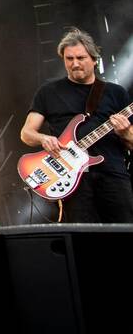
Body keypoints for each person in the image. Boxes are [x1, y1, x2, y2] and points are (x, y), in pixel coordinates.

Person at [21, 27, 133, 223]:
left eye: (80, 58)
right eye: (69, 59)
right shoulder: (48, 92)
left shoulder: (116, 93)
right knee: (82, 237)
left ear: (94, 59)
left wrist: (125, 132)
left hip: (112, 174)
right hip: (73, 178)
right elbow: (26, 134)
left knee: (124, 230)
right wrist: (44, 138)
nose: (75, 64)